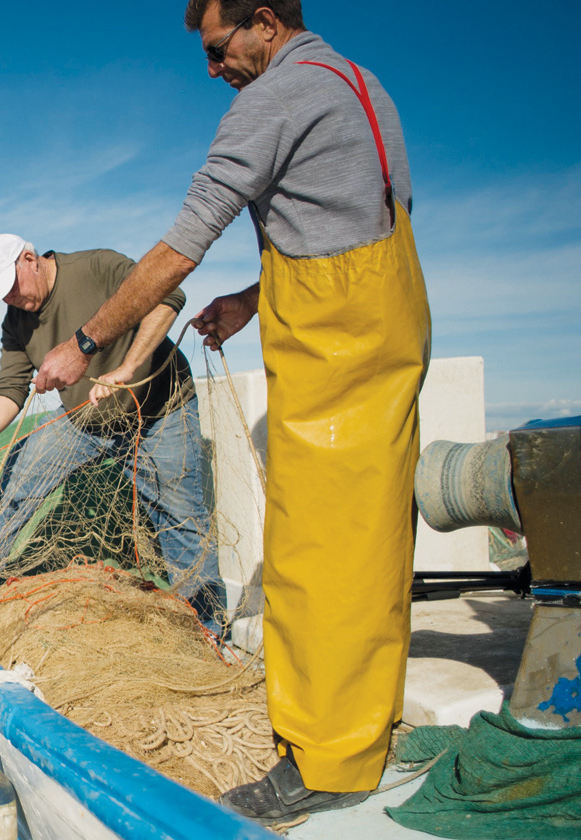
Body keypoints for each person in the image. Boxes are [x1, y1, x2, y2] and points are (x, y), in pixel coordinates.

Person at [30, 0, 431, 823]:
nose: (214, 70)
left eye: (219, 50)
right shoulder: (364, 84)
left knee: (321, 549)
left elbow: (183, 242)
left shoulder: (271, 99)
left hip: (336, 344)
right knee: (375, 528)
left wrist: (84, 342)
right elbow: (360, 217)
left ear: (264, 22)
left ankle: (329, 761)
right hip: (389, 317)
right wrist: (257, 298)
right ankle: (364, 722)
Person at [0, 233, 226, 633]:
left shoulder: (97, 267)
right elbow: (10, 389)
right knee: (19, 478)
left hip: (160, 411)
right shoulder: (15, 322)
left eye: (11, 287)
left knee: (181, 521)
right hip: (84, 421)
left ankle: (210, 629)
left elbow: (168, 297)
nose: (10, 300)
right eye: (0, 296)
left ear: (30, 259)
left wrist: (127, 368)